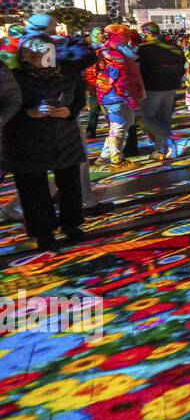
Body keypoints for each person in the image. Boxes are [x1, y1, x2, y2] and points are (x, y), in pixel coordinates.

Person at [3, 35, 88, 252]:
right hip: (26, 139)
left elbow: (79, 99)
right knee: (34, 189)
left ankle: (71, 224)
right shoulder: (14, 77)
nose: (35, 55)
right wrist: (29, 113)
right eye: (29, 51)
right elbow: (6, 107)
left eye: (41, 51)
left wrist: (69, 111)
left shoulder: (68, 72)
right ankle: (43, 231)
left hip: (64, 136)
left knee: (70, 184)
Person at [90, 24, 145, 167]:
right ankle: (117, 160)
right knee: (119, 127)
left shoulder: (108, 51)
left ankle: (104, 157)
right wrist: (129, 98)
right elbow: (119, 80)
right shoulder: (115, 54)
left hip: (106, 95)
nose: (128, 38)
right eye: (126, 35)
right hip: (116, 96)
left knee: (116, 127)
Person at [136, 21, 188, 160]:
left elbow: (137, 69)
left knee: (146, 117)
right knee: (165, 118)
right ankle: (161, 150)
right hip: (171, 87)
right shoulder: (174, 47)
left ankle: (173, 140)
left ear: (146, 32)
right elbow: (183, 65)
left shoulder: (144, 49)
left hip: (153, 87)